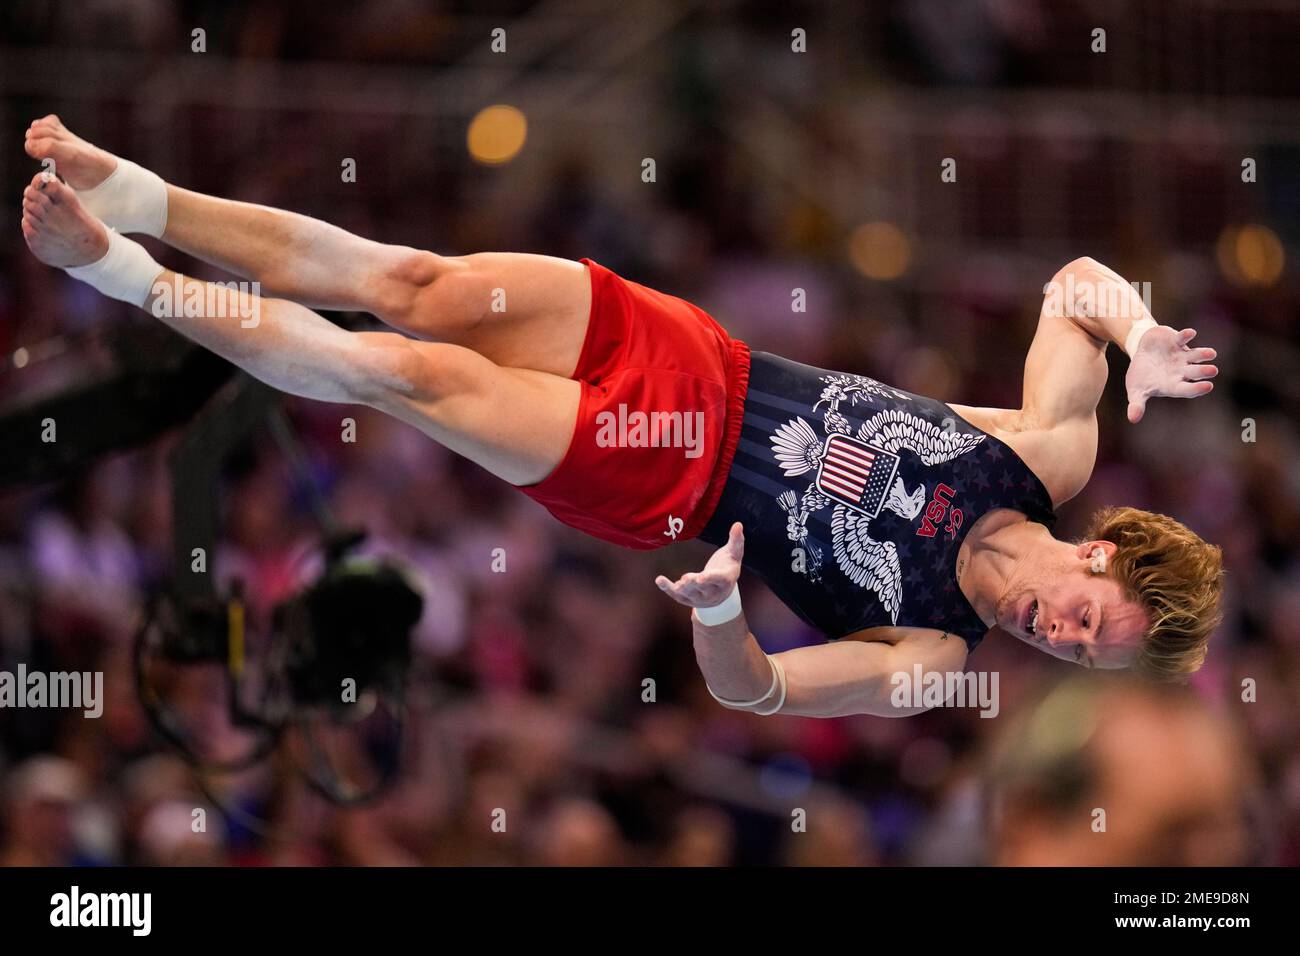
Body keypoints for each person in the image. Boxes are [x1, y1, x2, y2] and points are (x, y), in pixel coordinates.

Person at [21, 115, 1223, 720]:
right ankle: (134, 189)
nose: (1051, 634)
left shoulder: (933, 658)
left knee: (404, 371)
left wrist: (713, 617)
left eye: (1070, 651)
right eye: (1080, 617)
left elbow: (754, 690)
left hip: (662, 476)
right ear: (1101, 554)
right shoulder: (1047, 451)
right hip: (692, 351)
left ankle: (118, 269)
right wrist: (1137, 332)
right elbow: (1072, 282)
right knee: (413, 284)